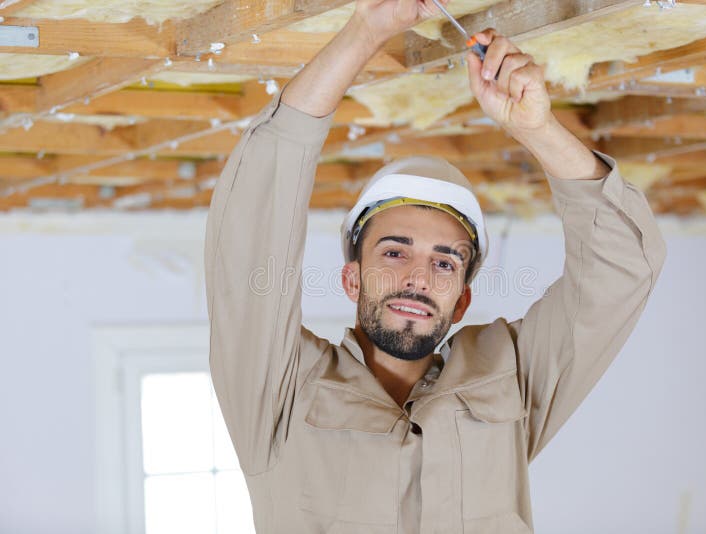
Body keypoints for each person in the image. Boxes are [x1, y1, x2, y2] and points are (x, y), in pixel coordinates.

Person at [203, 0, 667, 532]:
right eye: (394, 251)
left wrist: (539, 130)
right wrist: (365, 30)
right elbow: (250, 231)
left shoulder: (512, 377)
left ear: (463, 298)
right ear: (352, 276)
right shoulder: (278, 391)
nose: (419, 278)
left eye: (446, 263)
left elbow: (623, 267)